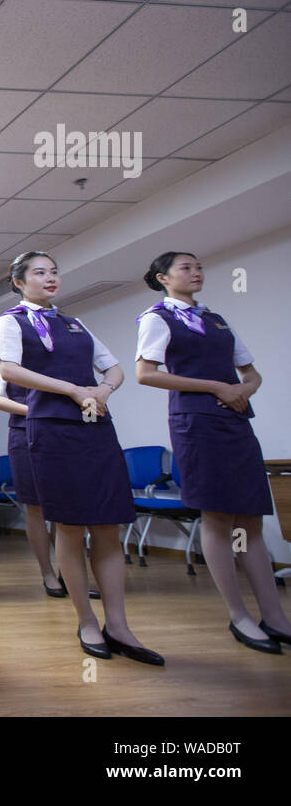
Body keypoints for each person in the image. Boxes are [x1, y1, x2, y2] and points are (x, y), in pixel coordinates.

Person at [0, 250, 163, 666]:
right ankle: (87, 620)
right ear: (19, 282)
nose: (50, 278)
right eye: (39, 273)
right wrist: (71, 389)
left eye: (54, 271)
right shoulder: (11, 321)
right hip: (52, 426)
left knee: (106, 526)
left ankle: (119, 625)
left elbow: (114, 368)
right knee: (70, 527)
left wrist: (102, 391)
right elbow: (10, 370)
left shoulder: (74, 322)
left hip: (95, 425)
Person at [135, 250, 289, 654]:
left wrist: (242, 390)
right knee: (218, 517)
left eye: (199, 267)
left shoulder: (216, 319)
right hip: (196, 422)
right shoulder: (157, 317)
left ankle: (274, 616)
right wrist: (217, 388)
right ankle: (239, 616)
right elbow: (146, 373)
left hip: (235, 420)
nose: (196, 272)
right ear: (163, 278)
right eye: (186, 268)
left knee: (250, 520)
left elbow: (251, 373)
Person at [0, 357, 61, 596]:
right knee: (35, 507)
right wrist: (36, 412)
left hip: (62, 431)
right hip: (25, 432)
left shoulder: (57, 352)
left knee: (65, 509)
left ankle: (69, 571)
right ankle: (48, 572)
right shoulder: (2, 360)